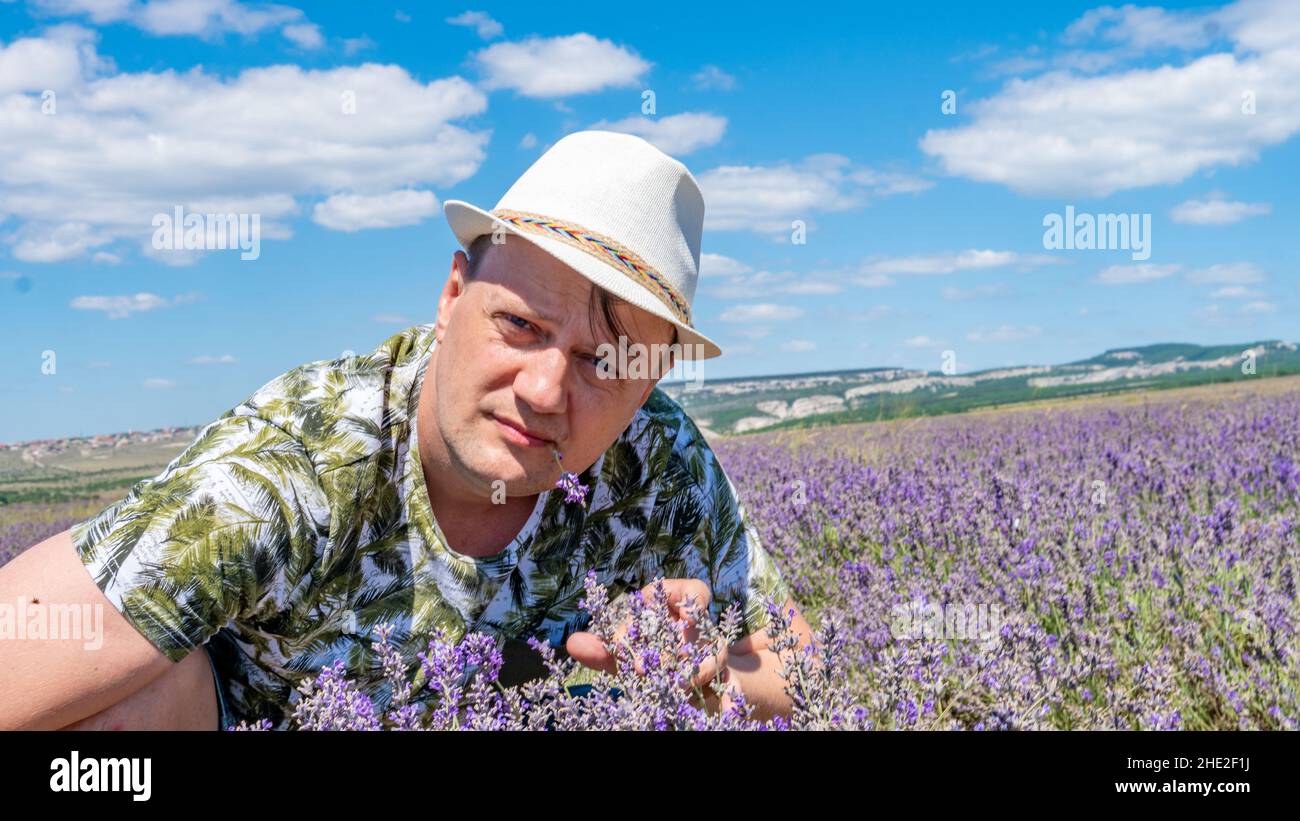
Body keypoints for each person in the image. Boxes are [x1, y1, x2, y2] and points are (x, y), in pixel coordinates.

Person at [0, 130, 814, 731]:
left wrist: (706, 671)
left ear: (651, 380)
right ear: (453, 293)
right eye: (522, 325)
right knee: (127, 705)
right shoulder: (296, 470)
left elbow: (807, 673)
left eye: (604, 363)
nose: (543, 390)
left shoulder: (661, 462)